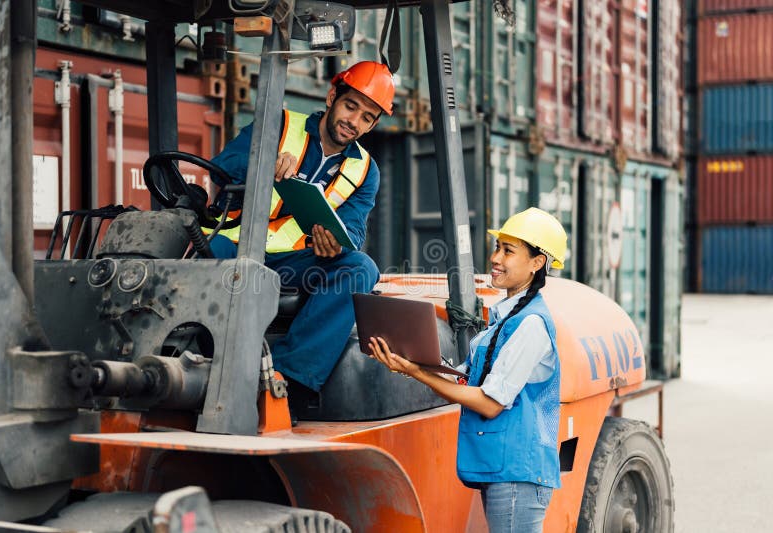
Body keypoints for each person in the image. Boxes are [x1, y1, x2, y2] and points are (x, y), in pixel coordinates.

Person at [368, 207, 567, 533]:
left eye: (508, 250)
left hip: (518, 471)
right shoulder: (504, 318)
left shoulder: (530, 324)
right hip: (504, 466)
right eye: (497, 247)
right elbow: (464, 378)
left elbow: (490, 401)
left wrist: (419, 374)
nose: (495, 258)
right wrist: (408, 362)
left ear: (537, 263)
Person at [207, 61, 395, 392]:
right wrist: (265, 163)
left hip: (292, 265)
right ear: (331, 96)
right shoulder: (279, 125)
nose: (354, 122)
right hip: (237, 245)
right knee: (207, 251)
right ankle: (199, 358)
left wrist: (335, 244)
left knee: (360, 267)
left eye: (367, 117)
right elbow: (222, 169)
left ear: (373, 124)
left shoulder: (367, 171)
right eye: (350, 107)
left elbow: (353, 231)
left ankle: (288, 377)